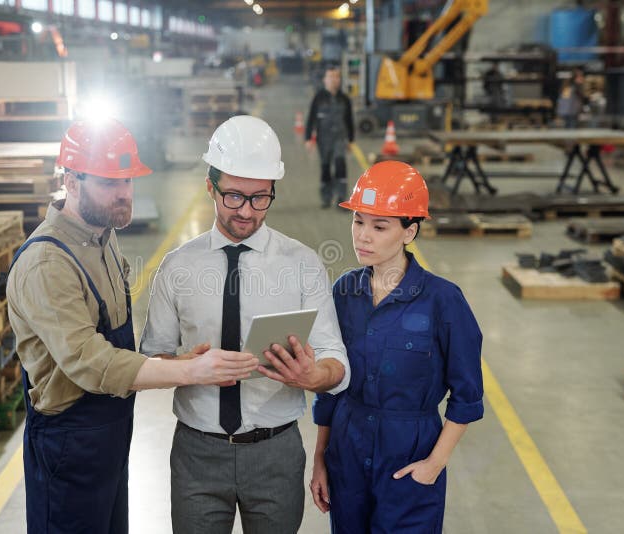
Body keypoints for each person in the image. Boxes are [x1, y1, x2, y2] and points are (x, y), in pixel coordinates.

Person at [6, 119, 260, 533]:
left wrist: (174, 360)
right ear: (71, 181)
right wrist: (188, 372)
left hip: (107, 441)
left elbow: (116, 343)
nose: (124, 194)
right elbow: (91, 362)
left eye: (127, 181)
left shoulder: (102, 238)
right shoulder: (48, 262)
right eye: (109, 183)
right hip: (68, 448)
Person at [140, 115, 351, 534]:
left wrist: (313, 376)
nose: (246, 212)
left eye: (260, 198)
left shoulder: (303, 264)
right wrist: (187, 368)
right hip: (197, 454)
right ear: (209, 186)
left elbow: (336, 361)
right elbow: (151, 361)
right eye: (233, 196)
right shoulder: (177, 267)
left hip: (275, 453)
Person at [309, 160, 484, 533]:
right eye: (358, 221)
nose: (363, 236)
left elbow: (467, 396)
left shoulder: (443, 301)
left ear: (410, 231)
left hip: (409, 457)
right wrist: (321, 459)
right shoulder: (345, 292)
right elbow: (330, 388)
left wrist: (434, 465)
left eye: (379, 226)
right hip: (347, 453)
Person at [305, 64, 355, 209]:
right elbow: (311, 119)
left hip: (339, 138)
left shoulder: (344, 99)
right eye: (331, 77)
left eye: (337, 77)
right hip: (323, 139)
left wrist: (350, 140)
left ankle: (341, 198)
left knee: (340, 164)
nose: (334, 80)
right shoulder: (319, 98)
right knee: (325, 167)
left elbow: (349, 120)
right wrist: (308, 138)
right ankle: (326, 198)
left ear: (340, 80)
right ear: (325, 80)